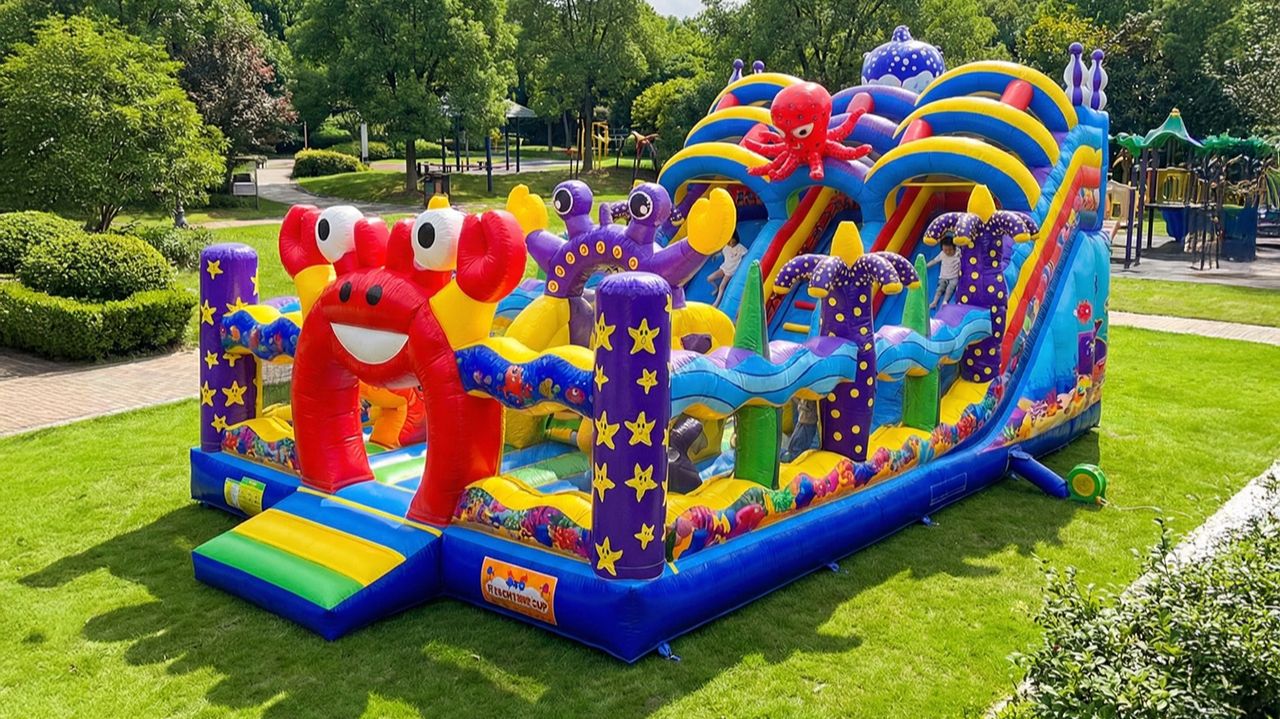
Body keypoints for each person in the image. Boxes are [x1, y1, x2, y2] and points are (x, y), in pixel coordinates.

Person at [707, 232, 747, 307]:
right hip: (724, 267)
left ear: (736, 240)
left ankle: (716, 303)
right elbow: (722, 252)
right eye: (729, 242)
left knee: (722, 286)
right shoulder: (726, 247)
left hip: (731, 271)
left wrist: (741, 264)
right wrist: (716, 256)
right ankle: (716, 287)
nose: (731, 244)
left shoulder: (740, 248)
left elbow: (746, 254)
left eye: (733, 242)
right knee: (709, 278)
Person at [926, 234, 961, 309]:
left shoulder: (958, 253)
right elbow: (934, 261)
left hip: (954, 277)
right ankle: (934, 302)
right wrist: (926, 266)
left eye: (950, 250)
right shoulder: (942, 254)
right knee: (940, 288)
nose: (948, 252)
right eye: (945, 250)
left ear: (955, 248)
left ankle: (945, 302)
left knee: (950, 288)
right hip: (943, 276)